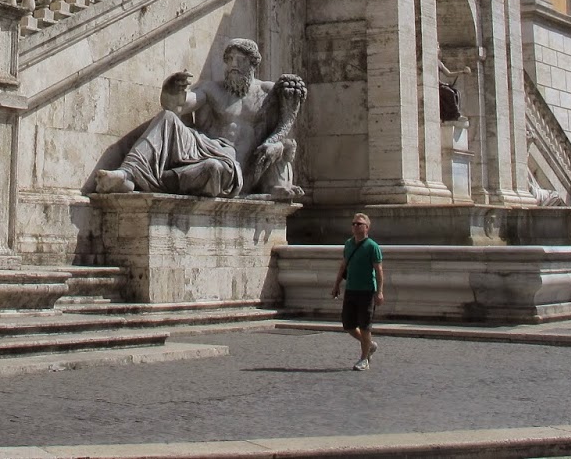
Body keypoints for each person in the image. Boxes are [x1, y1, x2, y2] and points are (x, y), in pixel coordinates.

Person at [94, 39, 306, 198]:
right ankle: (126, 174)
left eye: (240, 60)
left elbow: (286, 123)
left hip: (235, 168)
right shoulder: (212, 89)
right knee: (168, 118)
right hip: (204, 148)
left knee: (213, 168)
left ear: (252, 63)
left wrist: (273, 143)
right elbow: (180, 105)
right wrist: (172, 90)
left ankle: (157, 179)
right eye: (229, 59)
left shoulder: (267, 93)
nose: (233, 65)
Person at [329, 212, 385, 370]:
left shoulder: (372, 246)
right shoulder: (348, 244)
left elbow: (379, 270)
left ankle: (364, 359)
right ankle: (369, 345)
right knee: (348, 325)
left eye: (359, 224)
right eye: (353, 223)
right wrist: (336, 285)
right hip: (351, 289)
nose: (355, 226)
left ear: (367, 227)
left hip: (367, 291)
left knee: (365, 325)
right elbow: (343, 265)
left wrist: (379, 292)